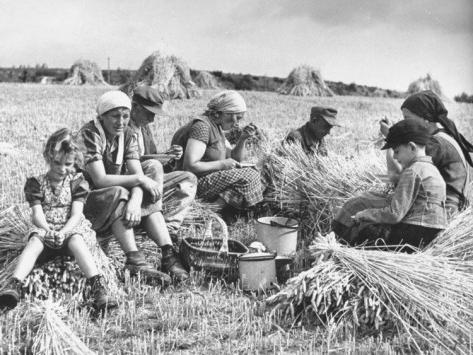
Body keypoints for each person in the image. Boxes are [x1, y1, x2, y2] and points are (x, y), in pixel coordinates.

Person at [0, 129, 117, 311]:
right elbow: (37, 214)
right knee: (34, 241)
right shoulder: (36, 183)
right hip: (45, 228)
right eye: (57, 163)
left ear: (75, 162)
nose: (62, 169)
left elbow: (76, 214)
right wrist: (47, 231)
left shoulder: (78, 182)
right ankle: (14, 284)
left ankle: (97, 286)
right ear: (48, 157)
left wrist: (63, 232)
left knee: (77, 240)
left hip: (70, 228)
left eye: (68, 164)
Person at [79, 90, 188, 285]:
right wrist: (139, 184)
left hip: (116, 192)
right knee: (121, 191)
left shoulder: (127, 134)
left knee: (153, 166)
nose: (120, 121)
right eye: (115, 116)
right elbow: (100, 179)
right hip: (88, 199)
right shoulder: (90, 134)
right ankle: (134, 258)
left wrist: (136, 201)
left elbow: (138, 173)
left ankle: (168, 254)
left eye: (125, 116)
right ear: (102, 117)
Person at [333, 120, 447, 250]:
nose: (395, 157)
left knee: (363, 233)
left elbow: (394, 214)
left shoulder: (413, 171)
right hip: (431, 232)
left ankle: (338, 251)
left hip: (413, 232)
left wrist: (365, 214)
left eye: (397, 151)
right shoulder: (432, 170)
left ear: (412, 147)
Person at [380, 90, 472, 219]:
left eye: (408, 118)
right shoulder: (445, 136)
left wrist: (391, 138)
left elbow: (396, 176)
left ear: (426, 119)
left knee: (363, 205)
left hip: (444, 214)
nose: (405, 123)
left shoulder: (434, 144)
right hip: (447, 208)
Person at [171, 90, 264, 214]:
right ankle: (209, 212)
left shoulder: (217, 128)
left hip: (207, 178)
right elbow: (190, 165)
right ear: (223, 113)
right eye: (237, 117)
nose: (237, 123)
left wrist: (243, 139)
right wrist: (222, 164)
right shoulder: (202, 127)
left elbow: (235, 159)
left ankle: (215, 210)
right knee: (250, 175)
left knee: (260, 172)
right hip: (191, 182)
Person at [128, 85, 197, 242]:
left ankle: (170, 227)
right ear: (135, 107)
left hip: (150, 179)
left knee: (189, 178)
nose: (152, 119)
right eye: (149, 113)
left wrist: (169, 157)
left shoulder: (144, 129)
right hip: (130, 180)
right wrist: (157, 159)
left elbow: (155, 161)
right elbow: (129, 163)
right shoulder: (121, 127)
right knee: (153, 165)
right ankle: (151, 216)